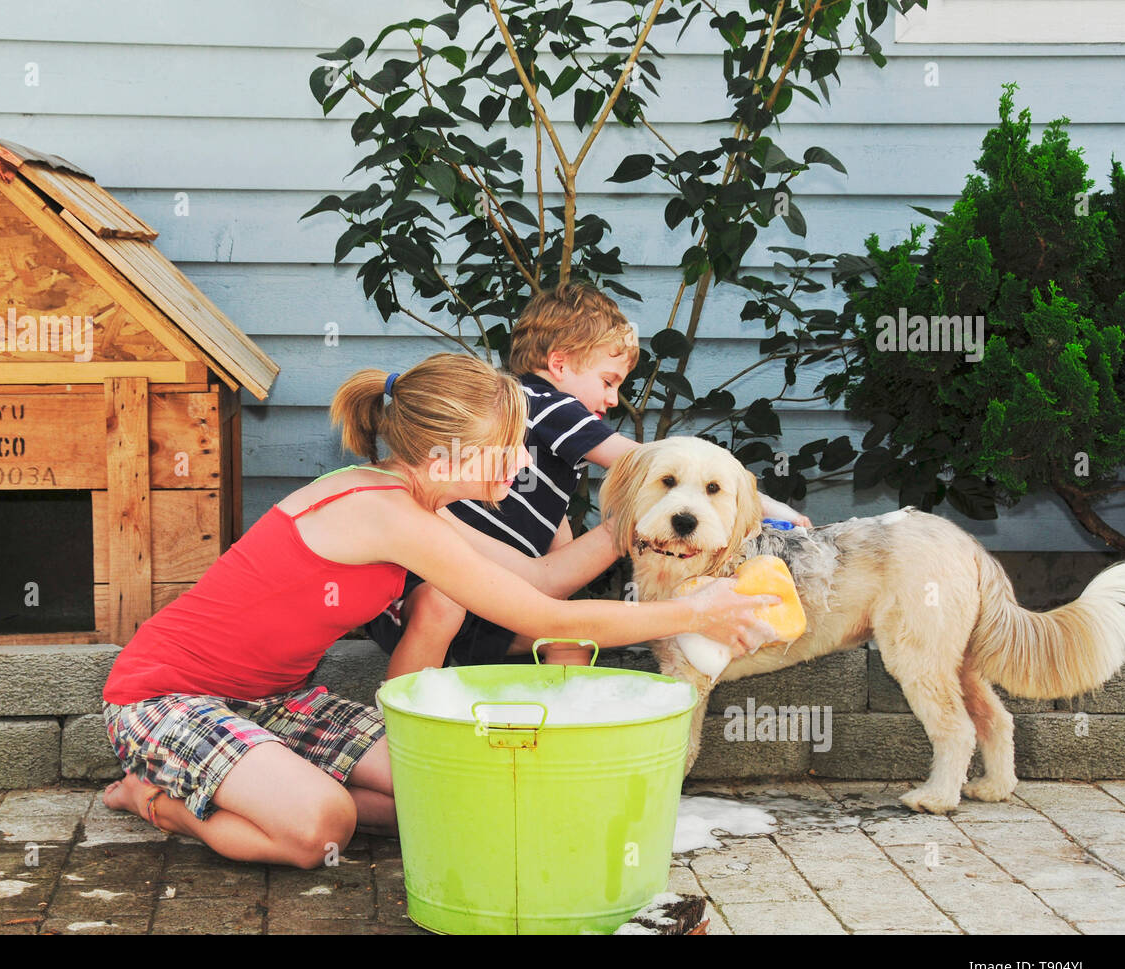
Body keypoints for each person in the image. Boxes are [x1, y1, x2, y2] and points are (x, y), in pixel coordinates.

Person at [100, 353, 782, 868]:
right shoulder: (385, 513)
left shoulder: (422, 509)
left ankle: (272, 780)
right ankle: (153, 798)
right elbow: (548, 620)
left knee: (451, 798)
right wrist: (696, 612)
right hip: (165, 696)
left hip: (277, 701)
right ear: (449, 452)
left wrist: (640, 517)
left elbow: (542, 579)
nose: (521, 462)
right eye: (509, 446)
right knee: (321, 829)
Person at [367, 282, 811, 678]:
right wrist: (763, 505)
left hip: (486, 606)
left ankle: (566, 728)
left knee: (572, 639)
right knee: (443, 605)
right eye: (608, 380)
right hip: (419, 597)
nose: (613, 399)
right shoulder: (543, 403)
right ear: (558, 364)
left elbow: (555, 575)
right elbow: (646, 462)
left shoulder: (555, 464)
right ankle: (402, 721)